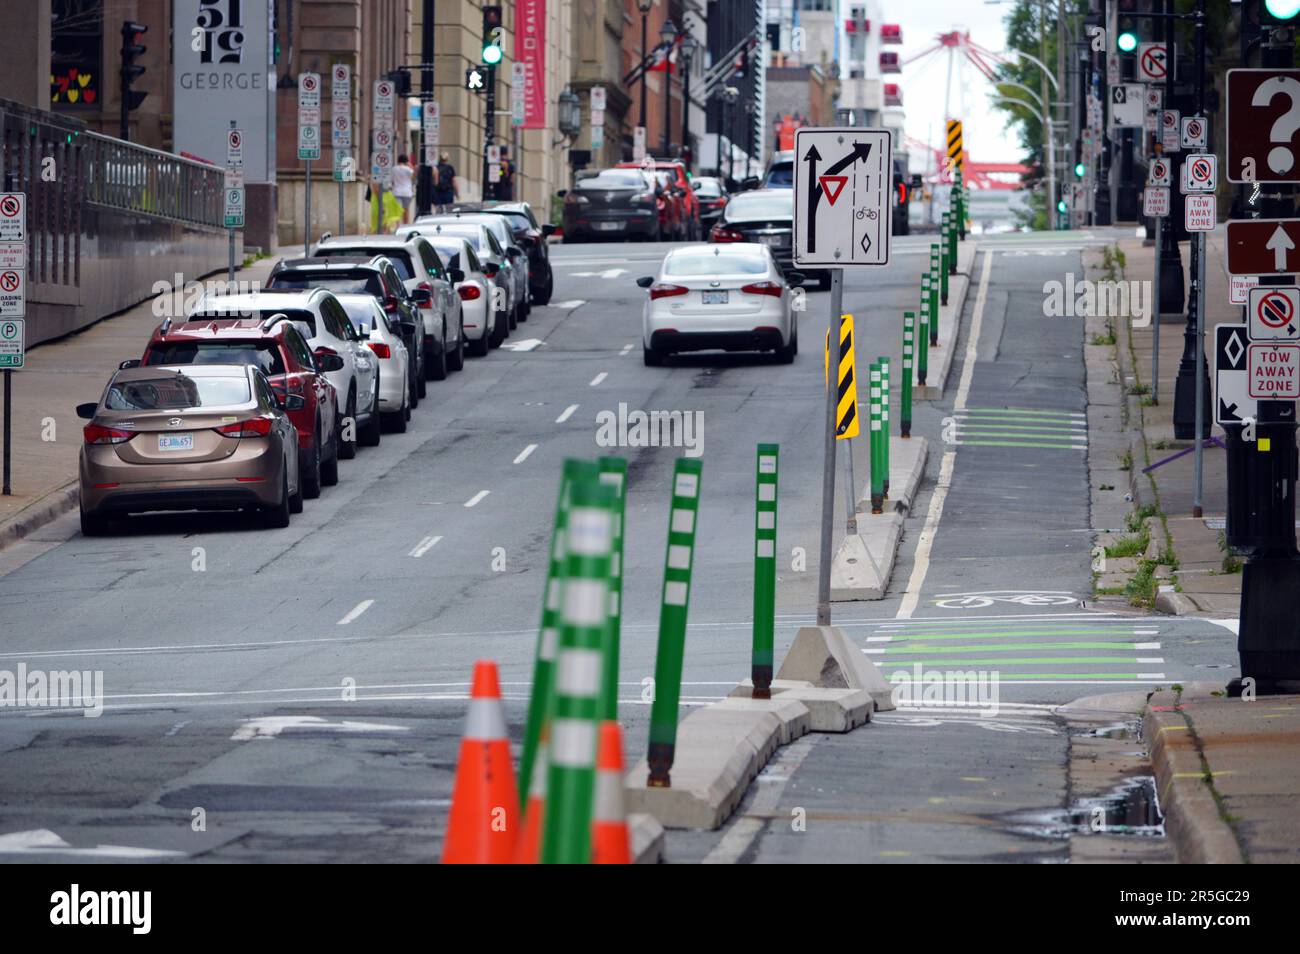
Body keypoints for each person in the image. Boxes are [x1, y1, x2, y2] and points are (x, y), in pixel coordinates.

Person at [391, 154, 415, 223]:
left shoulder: (394, 169)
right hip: (407, 192)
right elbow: (413, 177)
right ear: (406, 161)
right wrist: (411, 166)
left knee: (397, 210)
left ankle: (398, 226)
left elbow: (392, 181)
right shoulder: (408, 169)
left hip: (396, 192)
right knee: (406, 210)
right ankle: (406, 225)